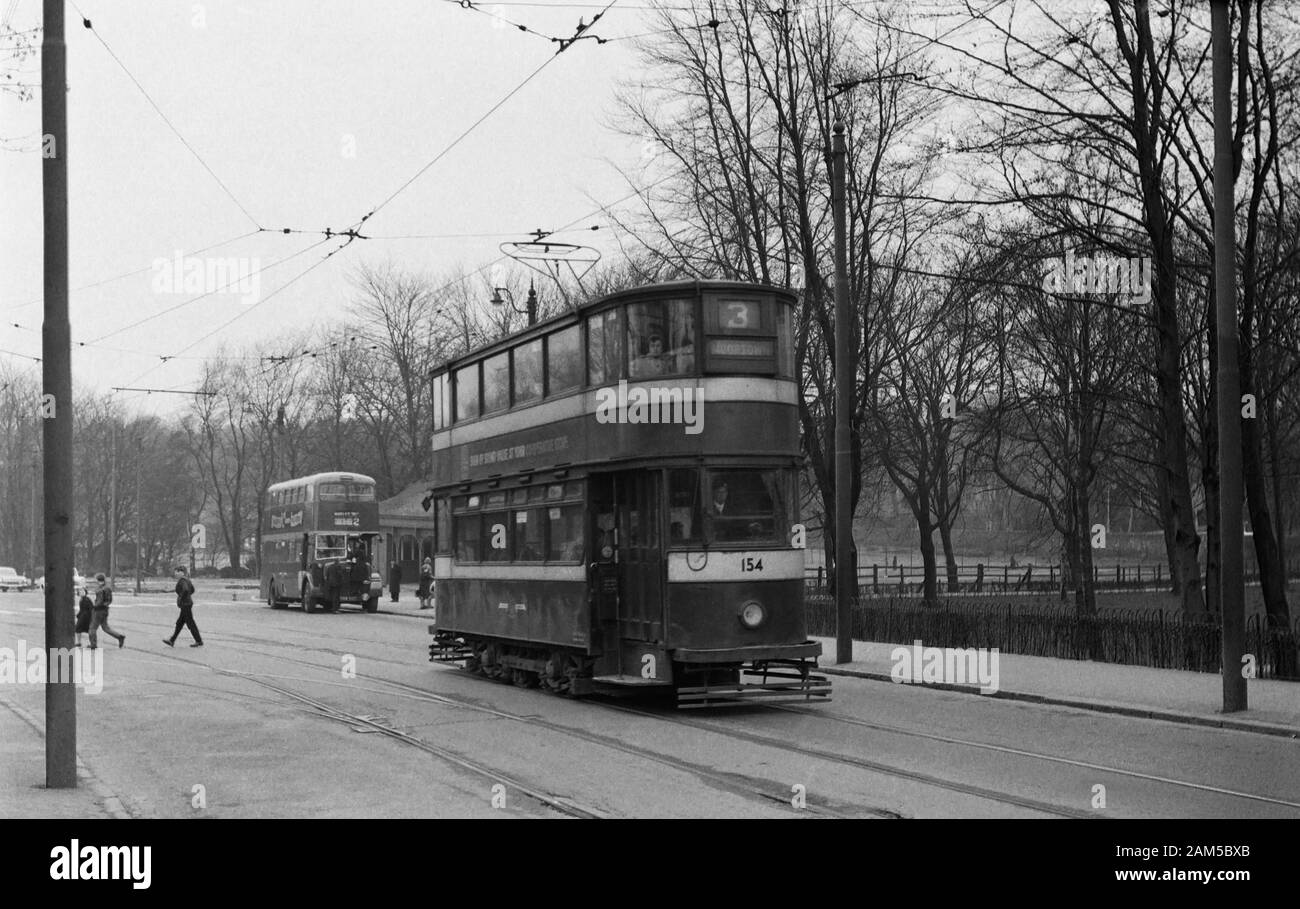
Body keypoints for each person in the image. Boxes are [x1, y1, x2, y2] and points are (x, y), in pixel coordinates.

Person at [163, 565, 203, 648]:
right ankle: (172, 640)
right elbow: (192, 589)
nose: (175, 574)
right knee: (180, 623)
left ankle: (198, 641)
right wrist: (187, 596)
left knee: (190, 623)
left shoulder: (182, 581)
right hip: (187, 603)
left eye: (177, 572)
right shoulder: (187, 580)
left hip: (185, 604)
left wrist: (181, 598)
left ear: (181, 572)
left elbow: (186, 590)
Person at [88, 573, 125, 649]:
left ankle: (93, 644)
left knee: (92, 628)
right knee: (105, 628)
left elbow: (99, 601)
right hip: (105, 611)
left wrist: (94, 607)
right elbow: (109, 600)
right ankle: (119, 637)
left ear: (98, 580)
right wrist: (105, 606)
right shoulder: (107, 588)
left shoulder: (101, 589)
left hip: (98, 611)